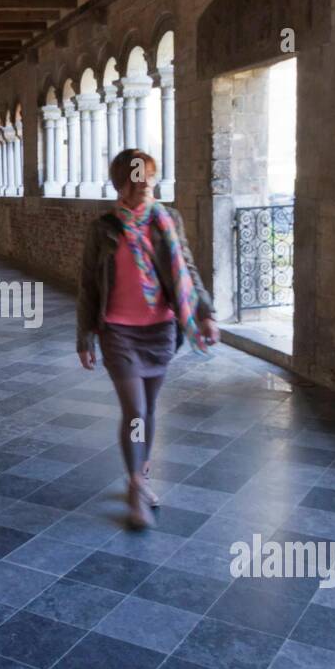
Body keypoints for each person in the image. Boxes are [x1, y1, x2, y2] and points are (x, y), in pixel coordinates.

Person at [77, 149, 219, 530]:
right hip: (117, 332)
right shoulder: (103, 228)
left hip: (160, 330)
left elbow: (187, 269)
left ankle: (140, 472)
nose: (145, 187)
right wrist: (84, 337)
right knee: (136, 410)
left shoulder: (167, 221)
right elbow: (89, 285)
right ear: (120, 184)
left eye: (150, 180)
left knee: (150, 410)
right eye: (137, 181)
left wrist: (205, 313)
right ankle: (136, 486)